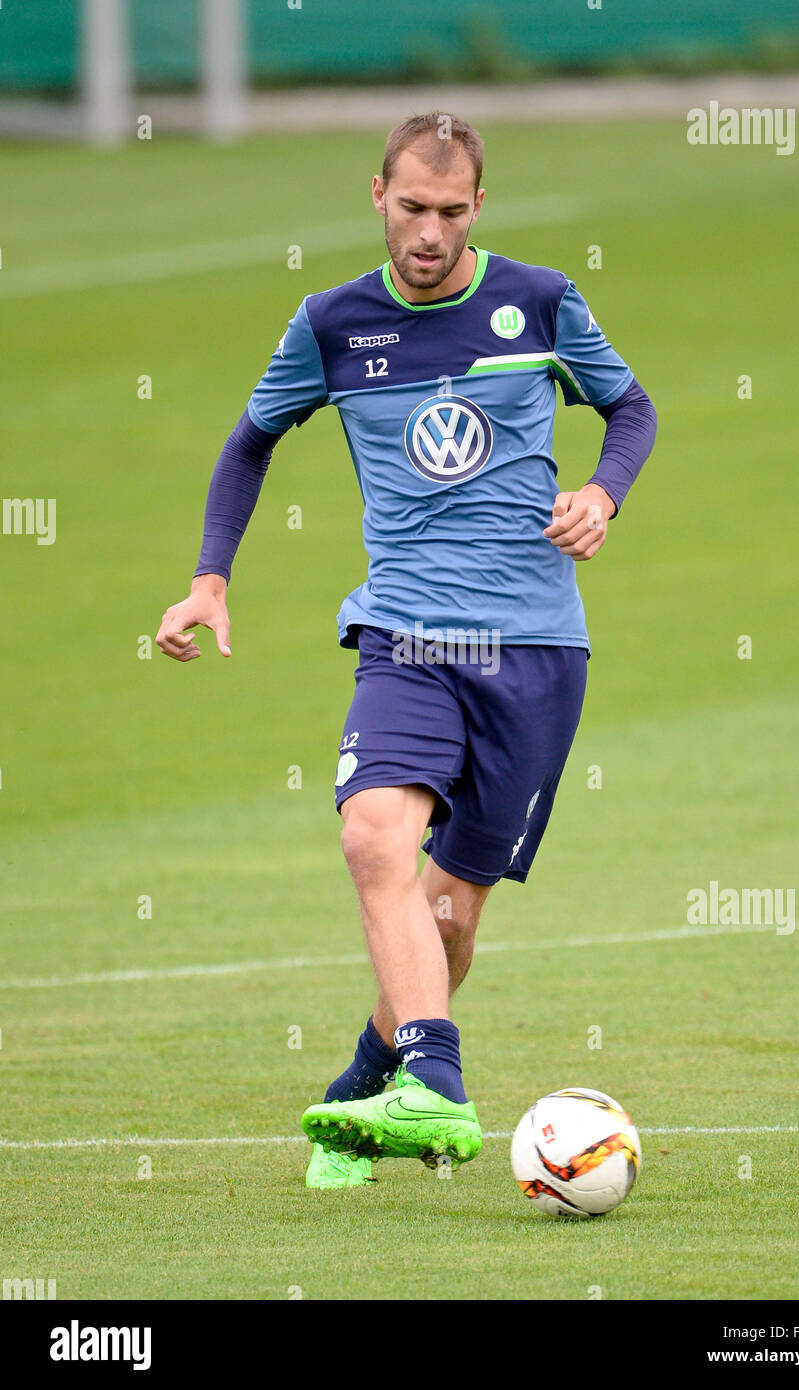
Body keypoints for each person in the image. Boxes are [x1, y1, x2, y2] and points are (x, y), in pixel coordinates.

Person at [155, 112, 657, 1188]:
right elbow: (249, 443)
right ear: (377, 194)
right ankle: (437, 1084)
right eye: (412, 208)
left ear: (478, 206)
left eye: (450, 212)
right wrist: (209, 580)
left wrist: (602, 493)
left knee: (448, 913)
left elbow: (631, 408)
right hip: (407, 635)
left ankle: (357, 1092)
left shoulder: (540, 302)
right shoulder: (331, 324)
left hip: (534, 647)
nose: (429, 233)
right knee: (373, 838)